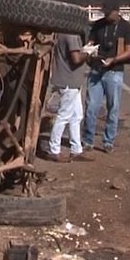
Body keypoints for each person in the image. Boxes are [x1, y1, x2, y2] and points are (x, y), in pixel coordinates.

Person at [82, 0, 130, 153]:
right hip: (96, 70)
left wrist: (115, 60)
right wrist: (89, 52)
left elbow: (129, 51)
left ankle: (108, 141)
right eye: (105, 13)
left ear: (117, 11)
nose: (107, 16)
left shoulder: (126, 27)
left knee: (113, 107)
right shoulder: (98, 25)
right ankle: (88, 140)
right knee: (91, 107)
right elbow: (90, 43)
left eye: (109, 13)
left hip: (114, 71)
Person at [44, 32, 91, 162]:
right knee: (64, 116)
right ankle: (54, 150)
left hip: (70, 81)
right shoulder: (71, 35)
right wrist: (88, 53)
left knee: (76, 116)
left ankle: (76, 149)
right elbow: (76, 58)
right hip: (69, 81)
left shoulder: (60, 33)